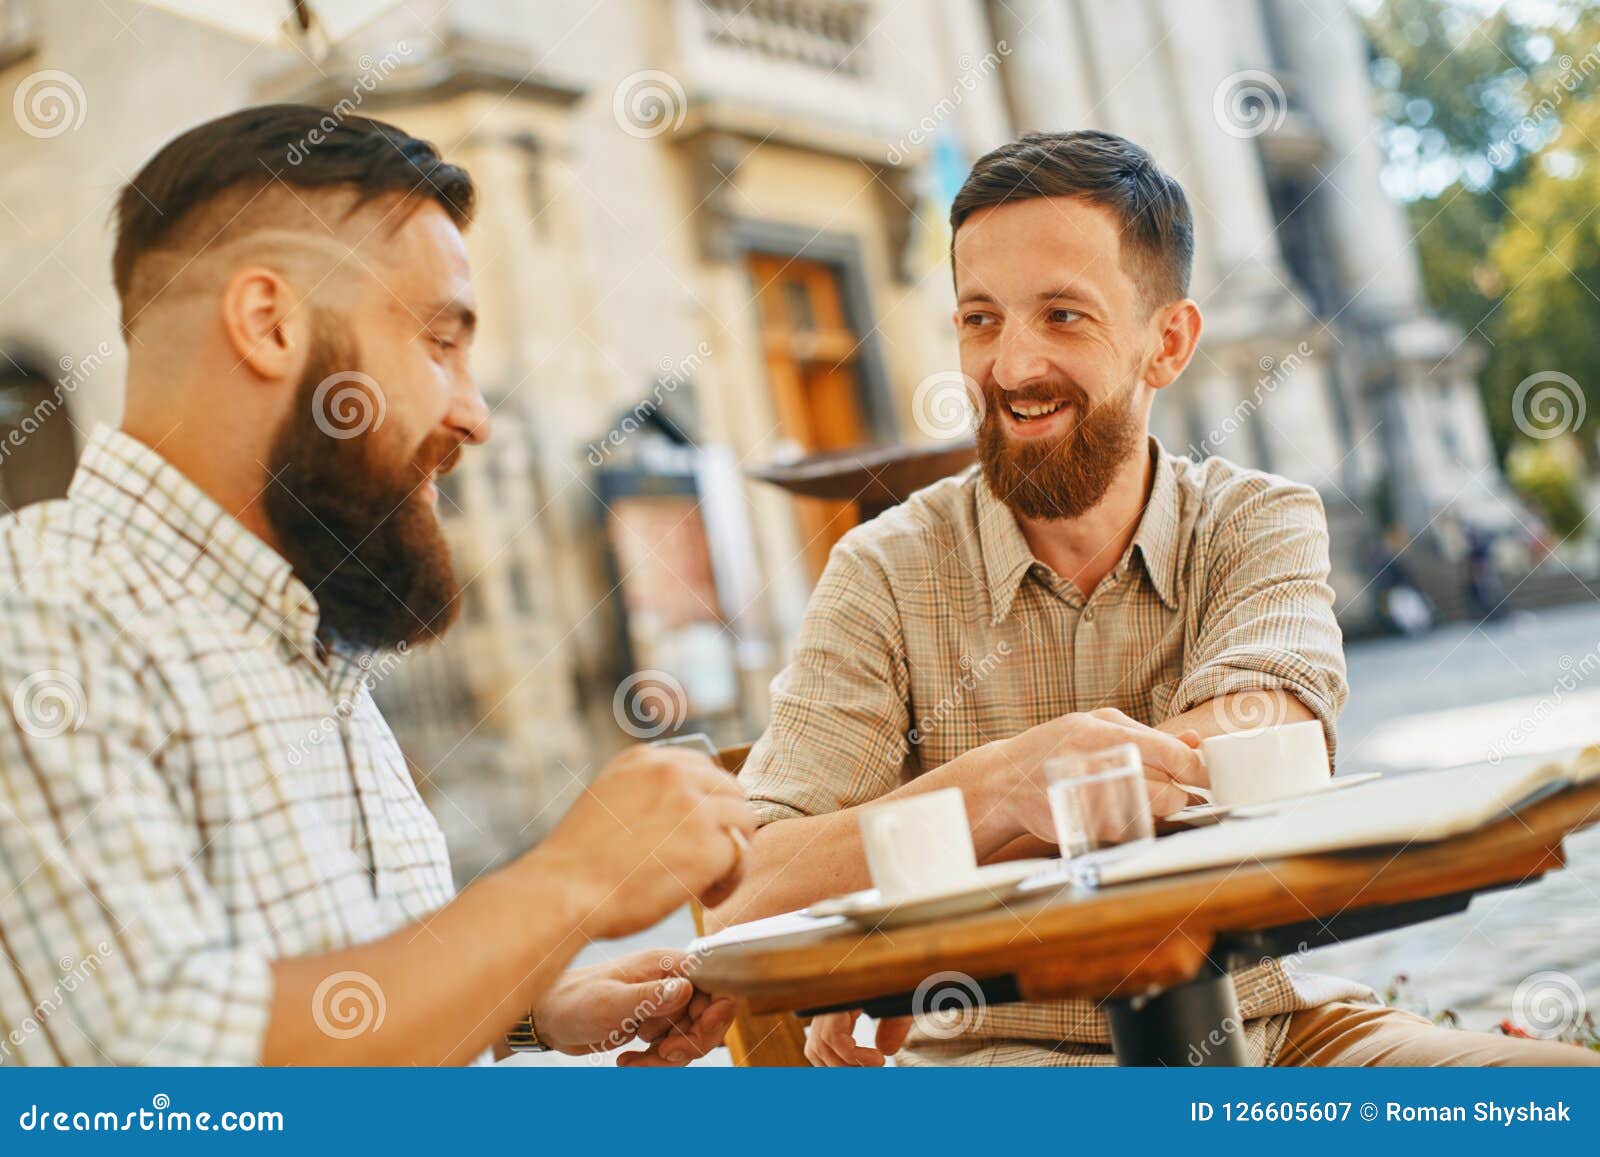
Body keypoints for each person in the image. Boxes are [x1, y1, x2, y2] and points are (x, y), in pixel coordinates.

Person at [714, 131, 1598, 1068]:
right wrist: (1007, 779)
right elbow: (754, 886)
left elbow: (1257, 745)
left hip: (1275, 1031)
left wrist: (922, 879)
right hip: (994, 1060)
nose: (1010, 367)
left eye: (1063, 315)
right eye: (980, 318)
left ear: (1166, 342)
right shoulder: (883, 567)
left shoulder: (1257, 521)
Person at [0, 105, 756, 1066]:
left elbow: (319, 983)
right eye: (440, 343)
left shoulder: (306, 626)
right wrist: (572, 880)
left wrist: (523, 1002)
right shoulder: (38, 614)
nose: (474, 414)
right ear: (270, 324)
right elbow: (159, 1081)